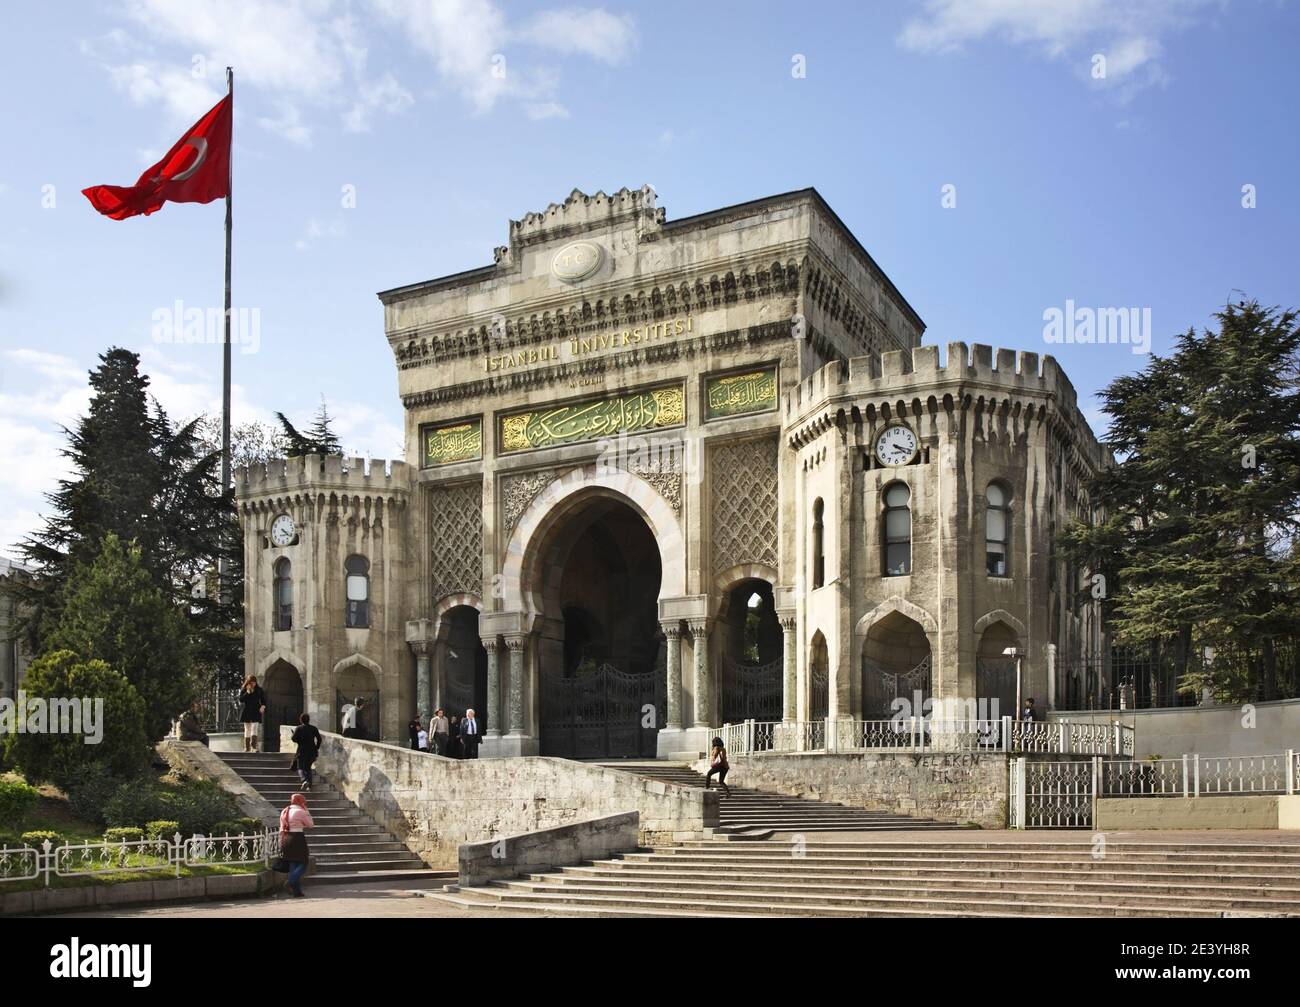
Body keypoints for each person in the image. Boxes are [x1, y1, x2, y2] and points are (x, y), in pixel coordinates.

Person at [279, 793, 315, 898]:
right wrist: (307, 811)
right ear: (300, 801)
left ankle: (297, 892)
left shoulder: (285, 811)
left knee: (293, 864)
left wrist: (280, 842)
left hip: (286, 838)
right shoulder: (301, 812)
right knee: (303, 862)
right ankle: (290, 882)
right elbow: (311, 825)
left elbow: (281, 827)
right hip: (297, 838)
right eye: (303, 801)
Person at [290, 713, 322, 791]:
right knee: (308, 768)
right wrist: (316, 748)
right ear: (309, 720)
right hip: (312, 752)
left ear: (301, 720)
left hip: (302, 751)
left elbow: (293, 738)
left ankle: (304, 780)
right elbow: (319, 739)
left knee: (300, 767)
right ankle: (309, 786)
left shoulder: (299, 728)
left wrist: (298, 739)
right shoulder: (313, 728)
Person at [238, 676, 267, 752]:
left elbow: (264, 700)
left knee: (254, 728)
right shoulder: (244, 689)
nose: (253, 684)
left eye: (254, 682)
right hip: (246, 711)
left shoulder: (259, 690)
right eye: (251, 683)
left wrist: (263, 707)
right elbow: (241, 700)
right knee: (247, 729)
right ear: (248, 682)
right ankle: (247, 748)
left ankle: (253, 747)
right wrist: (247, 692)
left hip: (256, 711)